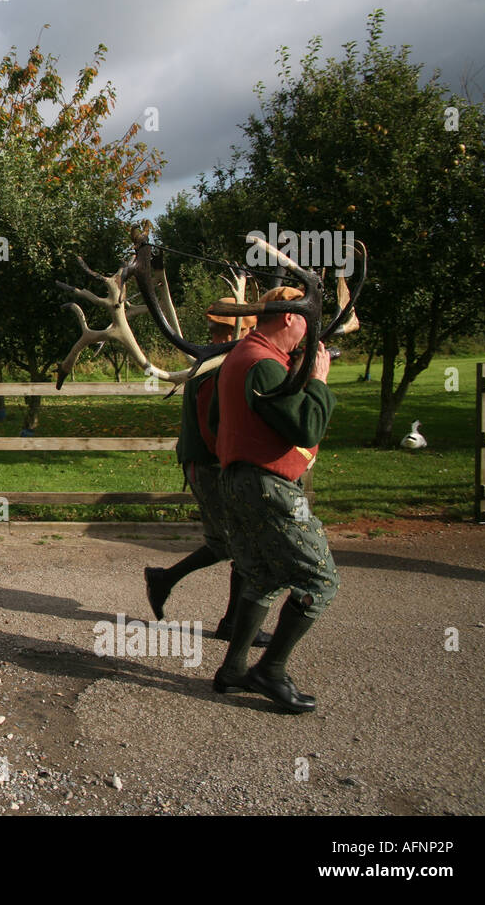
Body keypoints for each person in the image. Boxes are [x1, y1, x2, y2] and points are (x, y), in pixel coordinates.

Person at [208, 287, 339, 713]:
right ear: (288, 319)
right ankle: (271, 670)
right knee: (318, 579)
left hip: (239, 483)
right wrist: (317, 381)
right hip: (269, 488)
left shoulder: (241, 357)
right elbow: (307, 427)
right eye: (308, 321)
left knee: (261, 574)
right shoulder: (263, 364)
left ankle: (232, 671)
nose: (310, 333)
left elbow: (216, 420)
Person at [144, 299, 270, 646]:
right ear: (235, 330)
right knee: (244, 542)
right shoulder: (217, 368)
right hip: (212, 466)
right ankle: (233, 623)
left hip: (205, 464)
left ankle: (165, 580)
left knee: (225, 542)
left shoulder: (213, 361)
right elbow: (212, 427)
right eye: (250, 329)